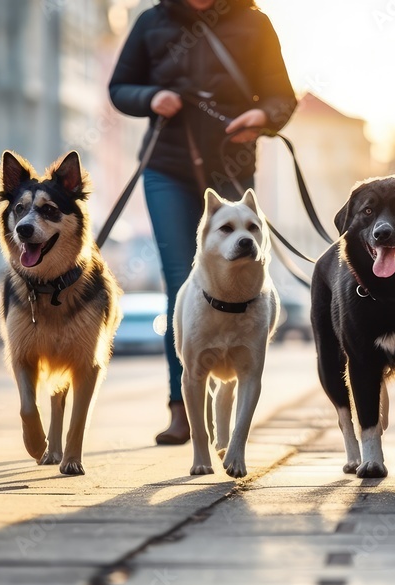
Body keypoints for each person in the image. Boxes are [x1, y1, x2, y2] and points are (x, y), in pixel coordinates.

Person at [109, 0, 296, 444]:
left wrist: (265, 116)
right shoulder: (151, 20)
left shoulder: (254, 20)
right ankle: (182, 407)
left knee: (242, 271)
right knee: (180, 281)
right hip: (166, 166)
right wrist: (151, 97)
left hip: (231, 162)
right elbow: (120, 87)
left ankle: (236, 378)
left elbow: (281, 95)